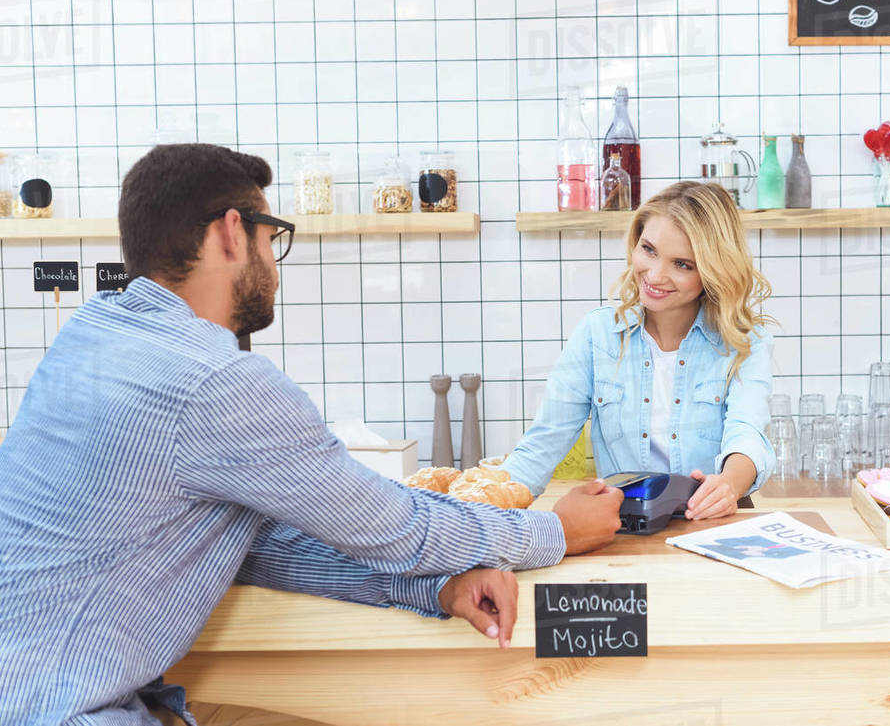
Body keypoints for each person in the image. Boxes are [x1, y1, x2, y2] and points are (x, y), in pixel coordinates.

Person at [0, 144, 623, 726]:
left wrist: (438, 585)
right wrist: (555, 532)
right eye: (273, 237)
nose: (274, 261)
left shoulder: (89, 336)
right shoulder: (215, 379)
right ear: (229, 232)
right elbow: (392, 525)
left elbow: (255, 540)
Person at [502, 181, 775, 520]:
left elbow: (747, 433)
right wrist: (483, 516)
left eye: (683, 265)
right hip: (625, 526)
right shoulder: (596, 335)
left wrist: (728, 486)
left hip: (713, 521)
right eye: (649, 250)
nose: (656, 275)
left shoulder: (745, 341)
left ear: (712, 271)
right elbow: (543, 444)